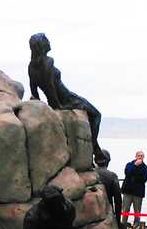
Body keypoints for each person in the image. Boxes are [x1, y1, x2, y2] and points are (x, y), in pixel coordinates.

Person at [26, 33, 104, 162]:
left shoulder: (31, 66)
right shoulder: (48, 61)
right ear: (41, 45)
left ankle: (96, 149)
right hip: (66, 97)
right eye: (46, 40)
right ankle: (95, 147)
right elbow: (50, 86)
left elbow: (33, 88)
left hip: (60, 98)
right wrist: (59, 106)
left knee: (94, 114)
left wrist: (40, 102)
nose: (49, 42)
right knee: (96, 115)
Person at [95, 149, 124, 229]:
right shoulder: (112, 176)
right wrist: (118, 222)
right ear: (108, 161)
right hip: (107, 212)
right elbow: (118, 201)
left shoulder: (89, 174)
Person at [121, 150, 147, 229]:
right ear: (136, 156)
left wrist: (134, 176)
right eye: (138, 155)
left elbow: (144, 178)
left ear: (143, 157)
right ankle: (123, 226)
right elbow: (127, 173)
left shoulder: (146, 167)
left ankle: (136, 228)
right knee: (125, 209)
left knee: (137, 211)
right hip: (128, 191)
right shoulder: (129, 164)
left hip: (138, 193)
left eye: (141, 156)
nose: (140, 157)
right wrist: (135, 166)